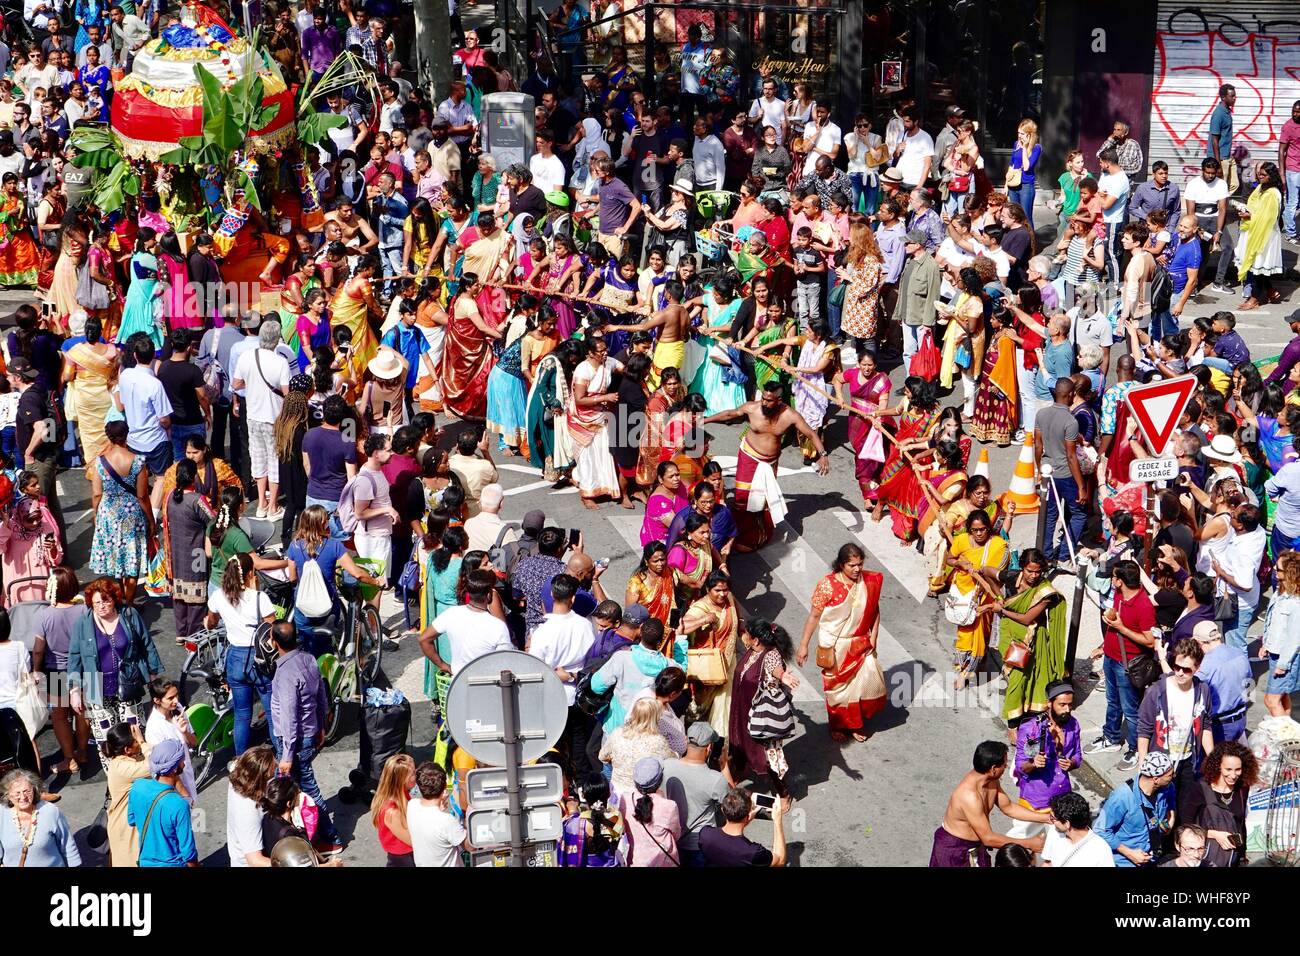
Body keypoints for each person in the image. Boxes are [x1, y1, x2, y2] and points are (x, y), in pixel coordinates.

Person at [702, 380, 828, 552]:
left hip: (770, 463)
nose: (765, 403)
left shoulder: (790, 415)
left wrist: (823, 455)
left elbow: (811, 434)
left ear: (779, 400)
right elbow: (730, 414)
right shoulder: (752, 408)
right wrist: (706, 420)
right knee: (742, 500)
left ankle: (757, 535)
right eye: (763, 398)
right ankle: (733, 534)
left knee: (762, 500)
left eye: (769, 400)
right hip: (749, 457)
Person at [796, 543, 886, 742]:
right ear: (841, 565)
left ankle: (854, 724)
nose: (857, 569)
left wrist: (874, 638)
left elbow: (874, 610)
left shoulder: (869, 581)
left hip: (861, 643)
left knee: (860, 685)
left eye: (859, 564)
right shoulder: (827, 585)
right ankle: (837, 725)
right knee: (837, 690)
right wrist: (804, 645)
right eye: (851, 565)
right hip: (835, 646)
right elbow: (814, 616)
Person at [268, 621, 344, 853]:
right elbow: (321, 695)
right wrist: (321, 727)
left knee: (308, 790)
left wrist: (287, 755)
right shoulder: (309, 659)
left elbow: (290, 716)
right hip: (309, 734)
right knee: (296, 789)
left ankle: (331, 838)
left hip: (294, 742)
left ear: (274, 643)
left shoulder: (286, 672)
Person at [67, 577, 162, 759]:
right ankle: (114, 779)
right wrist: (74, 690)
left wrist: (153, 674)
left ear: (114, 600)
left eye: (106, 601)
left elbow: (146, 643)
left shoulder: (129, 614)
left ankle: (138, 774)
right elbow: (74, 657)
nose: (101, 606)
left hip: (128, 681)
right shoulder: (83, 623)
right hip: (96, 686)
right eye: (96, 602)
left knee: (134, 733)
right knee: (105, 739)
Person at [929, 741, 1047, 866]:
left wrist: (1046, 818)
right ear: (993, 769)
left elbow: (1008, 807)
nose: (1006, 767)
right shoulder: (969, 796)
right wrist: (1029, 843)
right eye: (1004, 764)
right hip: (954, 851)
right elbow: (988, 838)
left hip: (976, 847)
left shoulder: (991, 781)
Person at [995, 550, 1067, 724]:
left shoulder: (1045, 591)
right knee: (1015, 677)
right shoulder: (1012, 577)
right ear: (1022, 568)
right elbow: (988, 572)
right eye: (1030, 571)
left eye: (1038, 572)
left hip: (1034, 639)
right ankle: (1014, 723)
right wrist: (998, 596)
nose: (1034, 575)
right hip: (1010, 636)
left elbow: (1027, 618)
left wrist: (1002, 610)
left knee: (1029, 677)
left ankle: (1017, 722)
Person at [1008, 682, 1082, 846]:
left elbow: (1077, 755)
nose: (1067, 709)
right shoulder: (1032, 730)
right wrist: (1033, 763)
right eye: (1062, 705)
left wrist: (1071, 763)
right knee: (1019, 848)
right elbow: (1022, 767)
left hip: (1061, 799)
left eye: (1070, 705)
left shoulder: (1073, 724)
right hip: (1036, 802)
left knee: (1059, 850)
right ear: (1049, 703)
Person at [661, 722, 729, 867]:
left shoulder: (666, 765)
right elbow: (733, 805)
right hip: (699, 845)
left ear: (686, 740)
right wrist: (724, 767)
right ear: (709, 748)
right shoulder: (715, 779)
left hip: (671, 840)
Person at [1094, 752, 1177, 867]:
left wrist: (1168, 824)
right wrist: (1130, 853)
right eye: (1170, 775)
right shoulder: (1122, 797)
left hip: (1152, 856)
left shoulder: (1168, 787)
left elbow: (1169, 807)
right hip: (1124, 862)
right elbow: (1101, 830)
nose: (1174, 776)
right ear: (1156, 779)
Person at [1183, 740, 1257, 868]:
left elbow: (1240, 823)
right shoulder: (1199, 788)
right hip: (1204, 857)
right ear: (1218, 766)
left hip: (1232, 857)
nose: (1233, 775)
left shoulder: (1242, 788)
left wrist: (1243, 853)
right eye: (1228, 769)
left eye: (1238, 769)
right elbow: (1185, 825)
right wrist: (1214, 834)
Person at [126, 738, 198, 867]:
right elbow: (188, 853)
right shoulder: (178, 805)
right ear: (175, 768)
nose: (184, 762)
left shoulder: (137, 786)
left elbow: (132, 820)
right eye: (182, 760)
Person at [0, 768, 79, 867]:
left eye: (26, 791)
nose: (23, 797)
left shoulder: (50, 811)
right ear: (8, 796)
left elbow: (67, 844)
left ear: (34, 790)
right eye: (17, 793)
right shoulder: (2, 813)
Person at [1235, 161, 1284, 311]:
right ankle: (1270, 291)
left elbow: (1268, 217)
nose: (1260, 177)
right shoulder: (1261, 188)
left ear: (1271, 176)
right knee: (1258, 267)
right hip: (1253, 231)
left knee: (1258, 267)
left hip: (1265, 235)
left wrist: (1250, 215)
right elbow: (1256, 208)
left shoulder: (1273, 193)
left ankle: (1255, 298)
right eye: (1259, 174)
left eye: (1264, 175)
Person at [407, 761, 467, 867]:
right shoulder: (447, 821)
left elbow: (429, 821)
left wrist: (439, 808)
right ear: (444, 787)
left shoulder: (412, 805)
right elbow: (469, 846)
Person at [1041, 791, 1115, 867]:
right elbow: (1048, 863)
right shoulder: (1054, 831)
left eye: (1052, 818)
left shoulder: (1101, 850)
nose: (1050, 820)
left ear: (1067, 824)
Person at [371, 753, 417, 867]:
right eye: (413, 774)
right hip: (404, 859)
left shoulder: (402, 793)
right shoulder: (392, 812)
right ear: (402, 780)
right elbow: (413, 841)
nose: (416, 776)